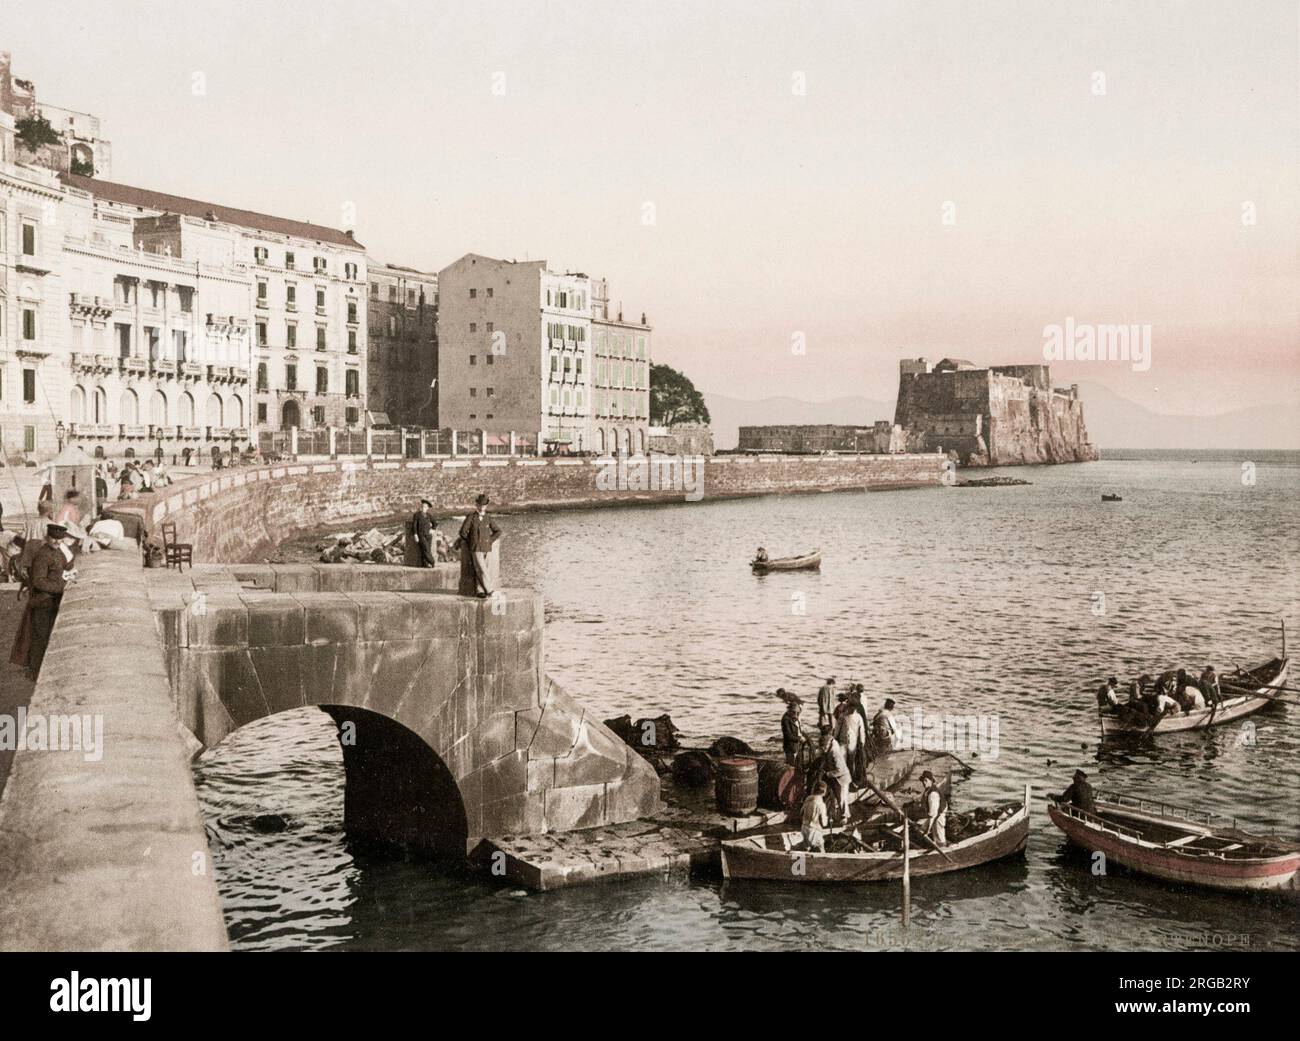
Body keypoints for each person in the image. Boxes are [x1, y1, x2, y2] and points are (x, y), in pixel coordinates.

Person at [9, 523, 74, 679]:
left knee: (45, 636)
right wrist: (60, 588)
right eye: (54, 539)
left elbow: (60, 571)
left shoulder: (57, 553)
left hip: (51, 600)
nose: (57, 542)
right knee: (40, 637)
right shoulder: (43, 555)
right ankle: (35, 671)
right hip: (43, 602)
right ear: (47, 537)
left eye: (60, 539)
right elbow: (38, 581)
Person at [456, 493, 501, 598]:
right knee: (481, 569)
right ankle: (490, 590)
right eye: (480, 505)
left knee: (483, 569)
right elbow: (463, 532)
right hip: (475, 548)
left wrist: (490, 540)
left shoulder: (488, 518)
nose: (482, 507)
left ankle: (480, 590)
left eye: (484, 506)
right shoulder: (471, 517)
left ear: (486, 506)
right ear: (476, 505)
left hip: (486, 548)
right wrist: (470, 542)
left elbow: (498, 531)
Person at [819, 731, 852, 823]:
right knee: (833, 798)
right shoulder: (829, 746)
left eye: (824, 747)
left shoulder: (835, 753)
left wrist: (827, 774)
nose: (823, 749)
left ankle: (845, 818)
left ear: (828, 744)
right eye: (821, 747)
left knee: (842, 799)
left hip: (842, 779)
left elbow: (840, 770)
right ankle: (832, 816)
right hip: (834, 778)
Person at [835, 688, 867, 783]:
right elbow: (837, 729)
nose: (851, 709)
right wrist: (835, 739)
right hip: (842, 742)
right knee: (841, 761)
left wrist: (861, 742)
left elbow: (862, 732)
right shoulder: (843, 716)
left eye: (853, 707)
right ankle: (841, 779)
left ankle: (851, 779)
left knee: (851, 762)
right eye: (850, 707)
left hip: (852, 743)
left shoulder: (858, 718)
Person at [800, 782, 829, 853]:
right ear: (823, 791)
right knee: (821, 849)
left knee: (806, 847)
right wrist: (828, 818)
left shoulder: (807, 799)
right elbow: (824, 823)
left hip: (804, 828)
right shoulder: (821, 805)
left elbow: (801, 813)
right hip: (814, 830)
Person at [920, 770, 947, 846]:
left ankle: (942, 848)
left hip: (939, 814)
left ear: (931, 781)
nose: (923, 782)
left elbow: (933, 814)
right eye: (923, 780)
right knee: (927, 829)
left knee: (939, 835)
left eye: (926, 780)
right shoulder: (927, 791)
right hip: (933, 813)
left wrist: (927, 830)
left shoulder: (933, 794)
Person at [410, 498, 438, 568]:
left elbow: (435, 523)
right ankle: (432, 562)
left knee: (426, 549)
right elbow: (414, 525)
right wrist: (415, 534)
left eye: (425, 507)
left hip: (428, 535)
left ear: (427, 508)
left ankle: (425, 564)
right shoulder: (417, 515)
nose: (423, 508)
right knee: (426, 549)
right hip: (421, 535)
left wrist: (433, 530)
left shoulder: (429, 515)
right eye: (422, 506)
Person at [781, 697, 807, 767]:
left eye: (797, 713)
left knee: (797, 764)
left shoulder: (792, 717)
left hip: (795, 746)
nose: (796, 715)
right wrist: (799, 739)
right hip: (790, 747)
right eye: (794, 712)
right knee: (791, 766)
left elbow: (797, 730)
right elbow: (788, 736)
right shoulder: (786, 719)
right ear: (790, 710)